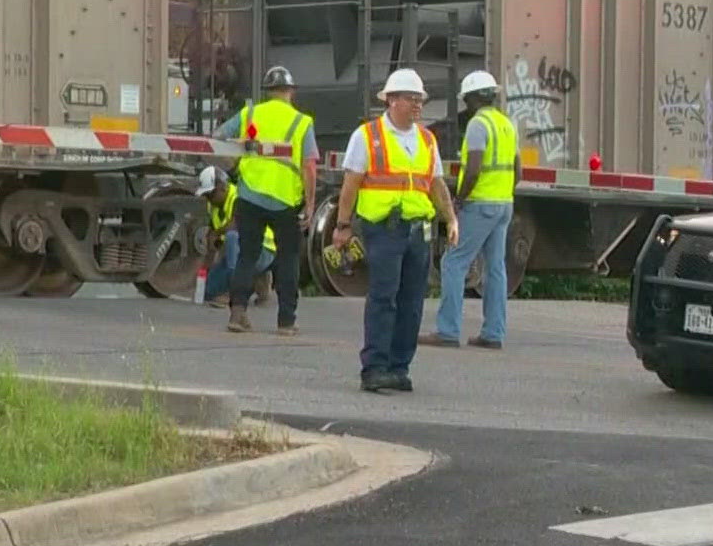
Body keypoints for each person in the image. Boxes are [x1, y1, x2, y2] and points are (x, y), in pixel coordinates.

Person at [330, 68, 459, 393]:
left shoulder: (427, 140)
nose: (418, 105)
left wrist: (451, 218)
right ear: (392, 100)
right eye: (412, 99)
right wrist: (342, 226)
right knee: (383, 297)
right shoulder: (368, 136)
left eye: (420, 99)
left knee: (413, 300)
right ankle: (374, 368)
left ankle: (399, 367)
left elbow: (436, 184)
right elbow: (351, 185)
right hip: (383, 230)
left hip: (419, 231)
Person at [214, 66, 318, 336]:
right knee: (288, 259)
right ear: (290, 92)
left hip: (249, 195)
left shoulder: (251, 117)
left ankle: (238, 312)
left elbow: (218, 138)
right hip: (285, 200)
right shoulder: (301, 122)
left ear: (267, 92)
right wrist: (309, 203)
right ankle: (286, 321)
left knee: (248, 254)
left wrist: (234, 169)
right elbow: (309, 166)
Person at [424, 69, 519, 350]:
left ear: (474, 98)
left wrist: (459, 199)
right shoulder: (506, 124)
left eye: (467, 99)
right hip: (504, 204)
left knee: (453, 262)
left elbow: (474, 167)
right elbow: (518, 170)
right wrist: (504, 193)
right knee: (496, 268)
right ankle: (493, 333)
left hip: (481, 204)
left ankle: (448, 330)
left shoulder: (479, 125)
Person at [196, 165, 275, 309]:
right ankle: (254, 280)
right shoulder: (213, 206)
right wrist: (206, 269)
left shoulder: (239, 196)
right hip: (239, 256)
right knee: (209, 291)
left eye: (211, 194)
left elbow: (236, 225)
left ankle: (235, 293)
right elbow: (213, 238)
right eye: (206, 196)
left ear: (222, 187)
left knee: (232, 237)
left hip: (263, 251)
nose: (209, 199)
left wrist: (217, 233)